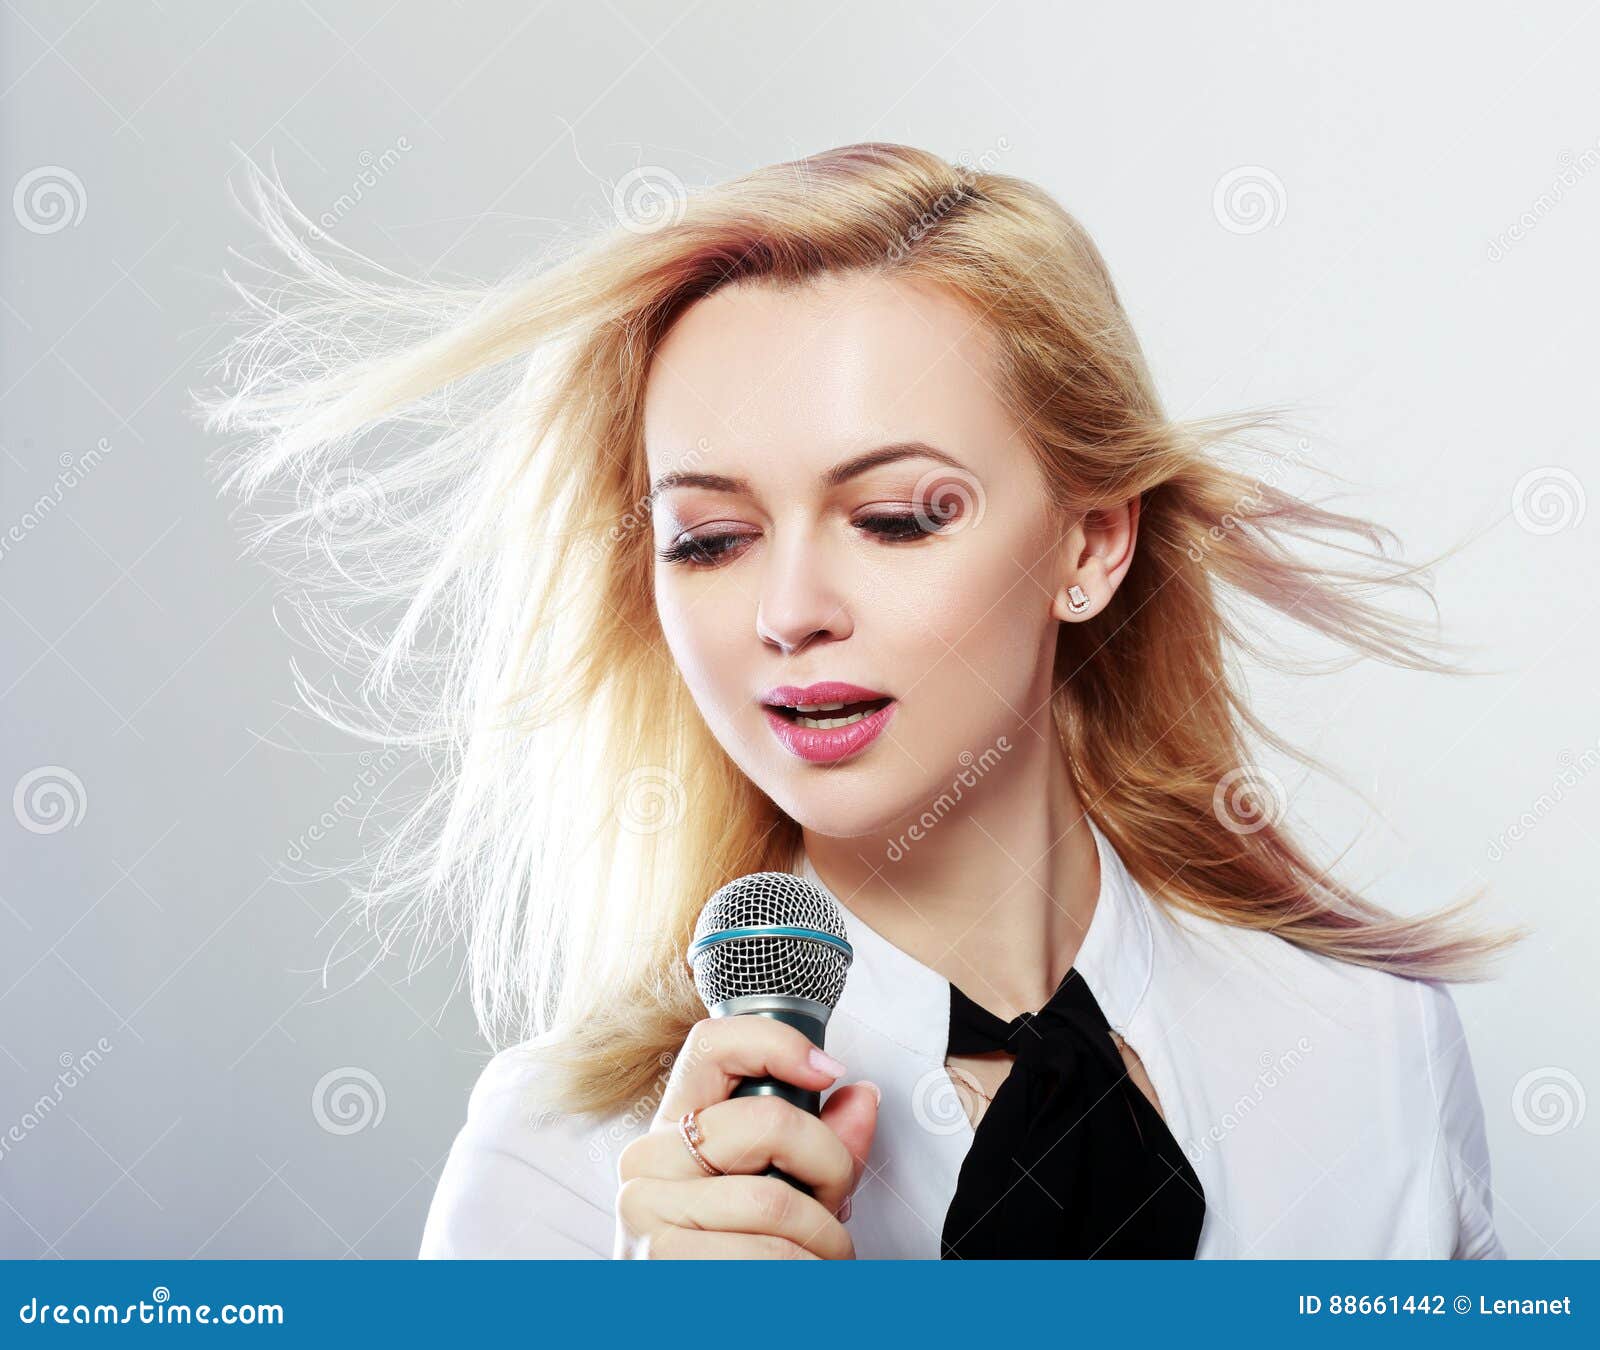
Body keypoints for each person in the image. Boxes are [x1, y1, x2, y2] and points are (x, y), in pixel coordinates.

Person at [199, 141, 1523, 1260]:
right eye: (709, 539)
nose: (789, 611)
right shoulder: (564, 1166)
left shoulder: (1373, 1055)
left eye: (893, 517)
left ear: (1092, 542)